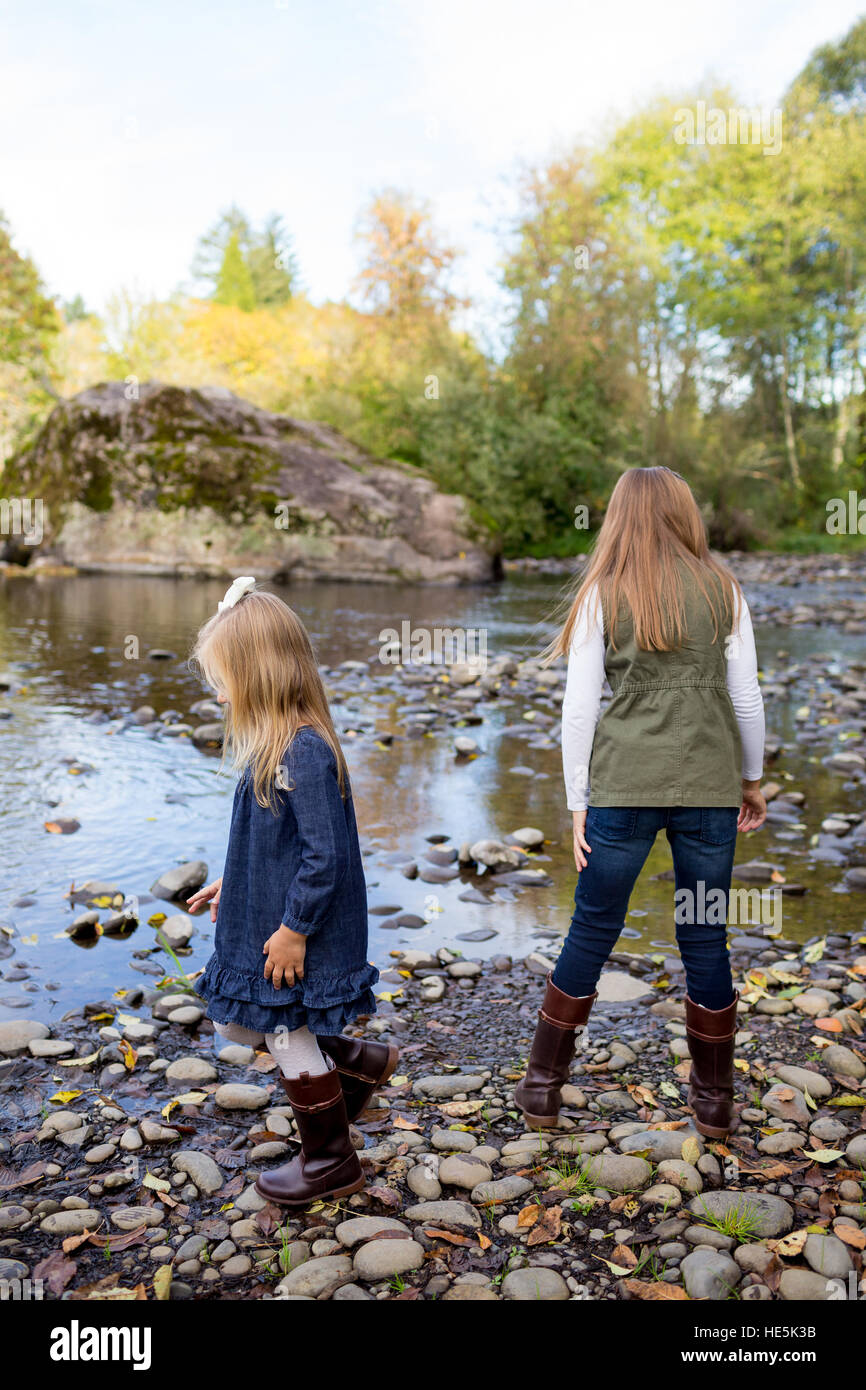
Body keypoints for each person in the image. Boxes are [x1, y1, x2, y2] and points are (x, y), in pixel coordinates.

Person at [515, 469, 766, 1139]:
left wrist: (577, 803)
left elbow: (578, 709)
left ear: (618, 518)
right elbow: (746, 697)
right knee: (705, 931)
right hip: (709, 789)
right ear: (685, 514)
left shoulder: (603, 593)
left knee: (592, 928)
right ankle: (714, 1102)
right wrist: (750, 777)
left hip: (622, 787)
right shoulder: (725, 589)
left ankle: (542, 1089)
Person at [186, 577, 397, 1205]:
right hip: (271, 911)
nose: (220, 694)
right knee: (238, 1030)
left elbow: (325, 858)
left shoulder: (303, 750)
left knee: (281, 1031)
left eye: (225, 680)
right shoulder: (271, 745)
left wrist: (295, 929)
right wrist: (239, 877)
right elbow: (281, 841)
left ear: (263, 675)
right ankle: (357, 1064)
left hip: (302, 928)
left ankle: (330, 1159)